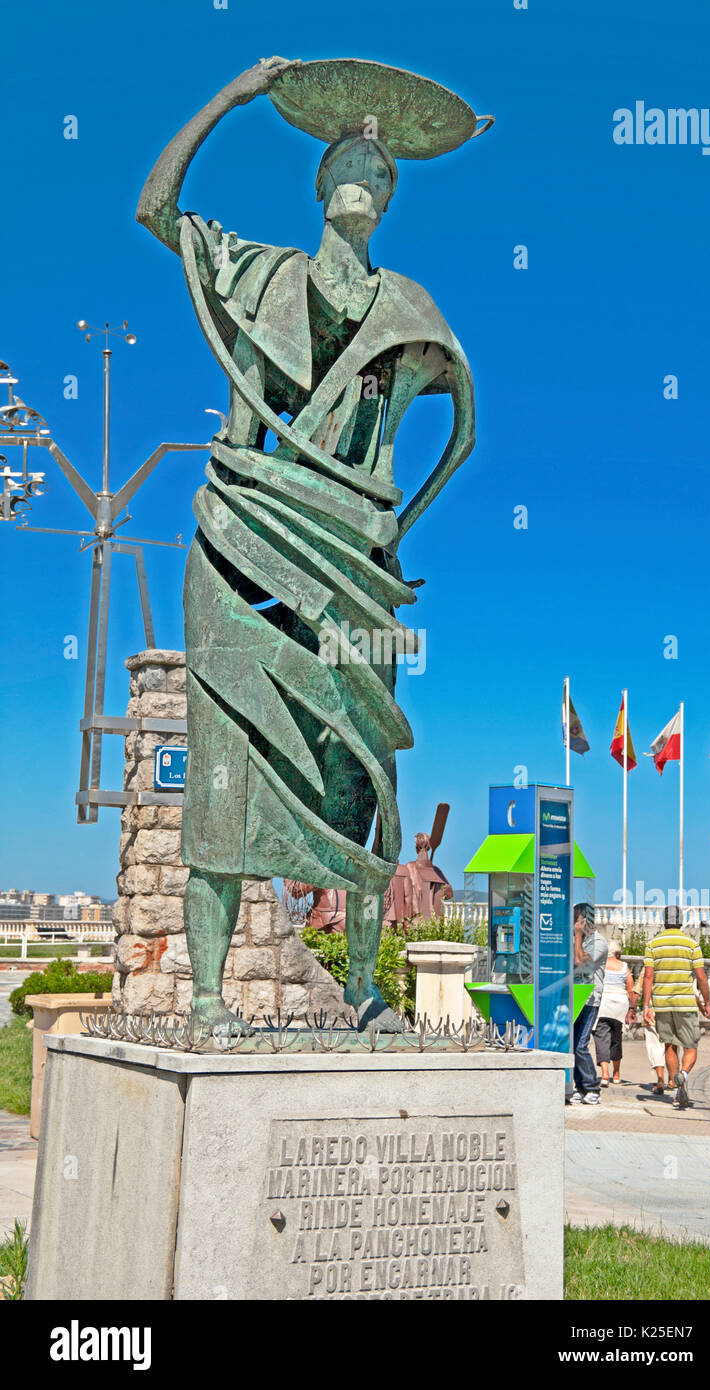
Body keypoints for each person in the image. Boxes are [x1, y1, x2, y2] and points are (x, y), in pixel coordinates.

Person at [136, 58, 476, 1032]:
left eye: (382, 168)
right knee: (220, 781)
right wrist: (230, 97)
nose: (366, 176)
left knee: (363, 778)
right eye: (348, 162)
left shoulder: (408, 313)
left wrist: (390, 532)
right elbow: (159, 209)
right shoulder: (260, 275)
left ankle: (364, 992)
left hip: (352, 572)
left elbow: (458, 436)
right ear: (321, 184)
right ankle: (205, 1000)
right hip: (245, 554)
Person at [642, 905, 710, 1109]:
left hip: (663, 1004)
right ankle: (683, 1075)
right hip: (685, 1003)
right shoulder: (691, 944)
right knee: (691, 1046)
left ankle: (676, 1089)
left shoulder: (653, 944)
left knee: (669, 1046)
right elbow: (701, 977)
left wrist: (646, 1005)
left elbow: (648, 976)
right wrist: (707, 1004)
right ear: (681, 921)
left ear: (664, 921)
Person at [568, 902, 608, 1105]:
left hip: (590, 998)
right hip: (574, 996)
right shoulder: (578, 939)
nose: (573, 923)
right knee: (572, 1044)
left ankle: (592, 1087)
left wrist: (577, 936)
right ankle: (580, 1086)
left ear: (584, 920)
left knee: (581, 1044)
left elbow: (580, 962)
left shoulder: (598, 942)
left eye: (576, 919)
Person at [593, 940, 635, 1085]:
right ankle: (616, 1074)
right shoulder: (624, 967)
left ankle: (604, 1074)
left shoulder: (601, 965)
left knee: (601, 1037)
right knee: (616, 1038)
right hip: (620, 1005)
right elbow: (631, 989)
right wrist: (632, 1008)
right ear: (617, 953)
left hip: (604, 1003)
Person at [632, 964, 668, 1094]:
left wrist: (632, 1008)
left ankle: (660, 1079)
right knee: (671, 1046)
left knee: (656, 1046)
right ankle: (674, 1080)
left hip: (652, 1012)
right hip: (673, 1011)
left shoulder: (651, 962)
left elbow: (638, 988)